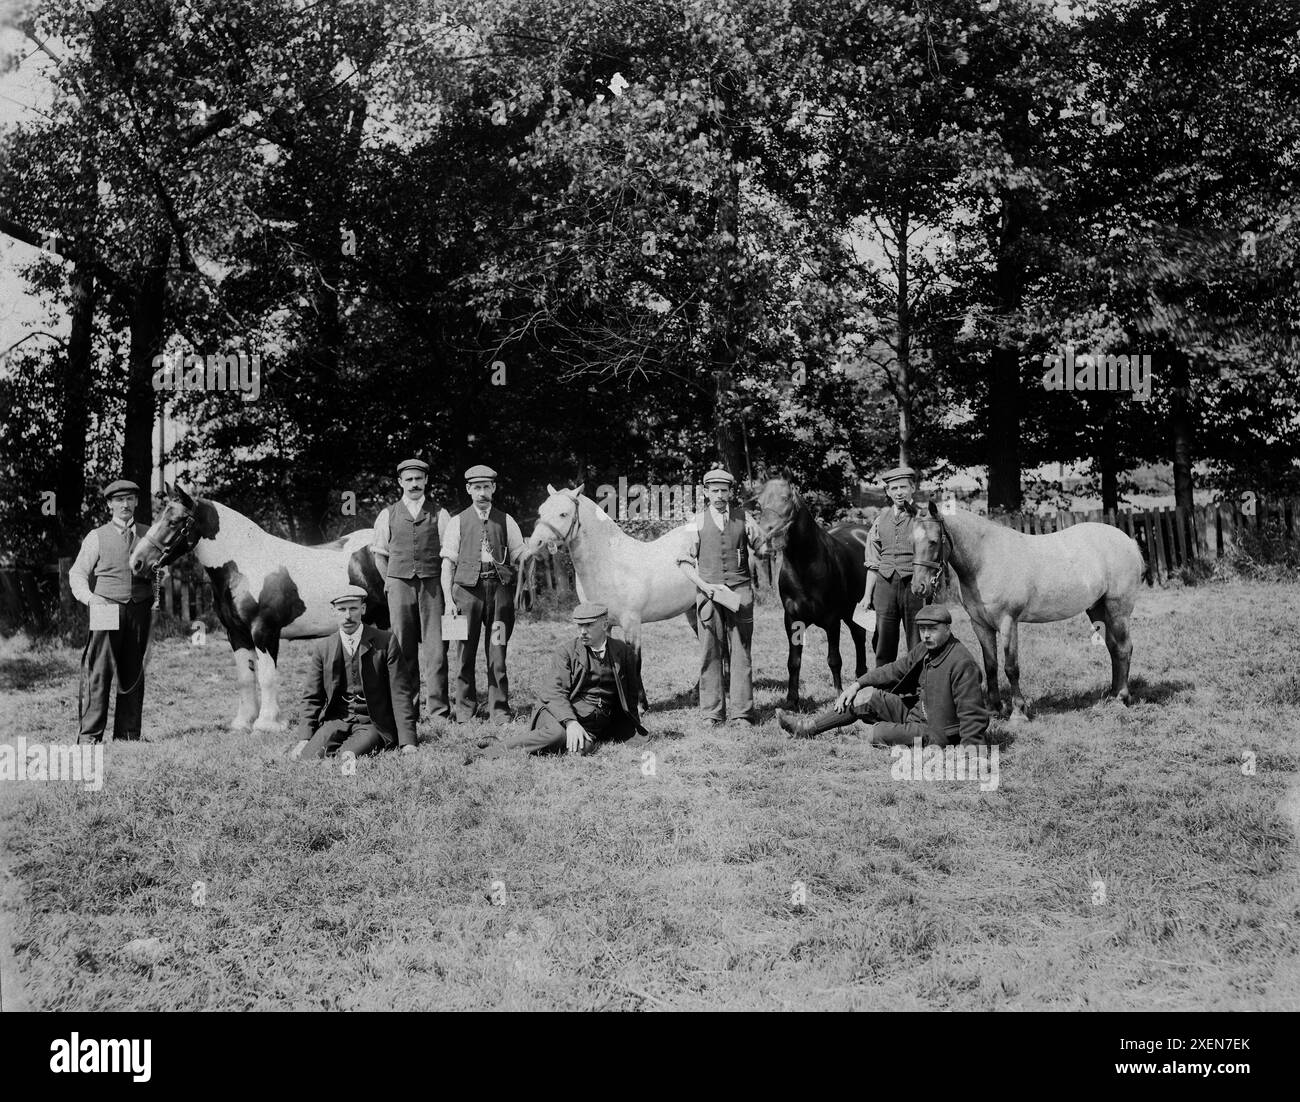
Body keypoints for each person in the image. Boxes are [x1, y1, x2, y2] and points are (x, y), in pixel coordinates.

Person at [775, 604, 989, 747]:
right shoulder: (926, 648)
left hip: (934, 730)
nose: (925, 634)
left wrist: (970, 753)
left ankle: (892, 735)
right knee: (863, 697)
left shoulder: (962, 662)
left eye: (932, 629)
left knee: (876, 734)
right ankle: (808, 729)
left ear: (947, 628)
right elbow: (894, 670)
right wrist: (857, 684)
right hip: (914, 712)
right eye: (922, 629)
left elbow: (973, 714)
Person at [477, 602, 648, 757]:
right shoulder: (566, 652)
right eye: (580, 625)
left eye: (589, 625)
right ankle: (494, 751)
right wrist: (571, 722)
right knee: (557, 735)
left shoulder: (623, 652)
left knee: (583, 749)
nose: (583, 631)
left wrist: (632, 727)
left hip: (595, 722)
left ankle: (516, 743)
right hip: (558, 711)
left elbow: (631, 693)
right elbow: (554, 692)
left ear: (604, 625)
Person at [69, 479, 155, 743]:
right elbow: (77, 573)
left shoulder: (150, 534)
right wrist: (91, 599)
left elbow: (161, 571)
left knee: (134, 671)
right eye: (119, 500)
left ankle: (128, 735)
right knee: (100, 671)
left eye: (130, 499)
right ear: (109, 504)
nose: (125, 504)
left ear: (137, 502)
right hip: (105, 607)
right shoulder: (96, 536)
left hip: (139, 609)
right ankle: (90, 736)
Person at [289, 585, 417, 761]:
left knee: (348, 756)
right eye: (342, 609)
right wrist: (304, 738)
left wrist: (408, 742)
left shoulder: (385, 641)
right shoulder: (323, 648)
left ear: (363, 609)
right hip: (337, 720)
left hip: (372, 722)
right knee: (308, 757)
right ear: (333, 611)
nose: (348, 616)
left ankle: (351, 756)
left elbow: (400, 693)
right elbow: (311, 697)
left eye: (353, 608)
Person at [676, 468, 763, 726]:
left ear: (730, 492)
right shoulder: (696, 521)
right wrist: (704, 585)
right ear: (705, 492)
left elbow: (763, 545)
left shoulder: (744, 518)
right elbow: (683, 562)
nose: (719, 496)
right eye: (714, 491)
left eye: (724, 491)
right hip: (709, 594)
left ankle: (742, 714)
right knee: (710, 652)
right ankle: (712, 713)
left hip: (740, 592)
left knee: (741, 652)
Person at [440, 464, 525, 724]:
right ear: (468, 489)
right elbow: (447, 564)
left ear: (494, 488)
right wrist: (447, 602)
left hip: (499, 594)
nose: (482, 492)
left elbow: (521, 555)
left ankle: (499, 709)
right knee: (463, 653)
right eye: (476, 487)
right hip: (465, 593)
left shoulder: (507, 520)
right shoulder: (457, 521)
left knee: (497, 651)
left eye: (486, 487)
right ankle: (465, 711)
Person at [371, 458, 452, 721]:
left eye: (419, 478)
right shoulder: (387, 514)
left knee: (436, 649)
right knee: (403, 649)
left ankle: (438, 710)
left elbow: (449, 557)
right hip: (399, 585)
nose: (414, 484)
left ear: (426, 480)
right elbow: (379, 555)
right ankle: (408, 709)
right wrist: (390, 583)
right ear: (400, 483)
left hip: (432, 587)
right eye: (409, 479)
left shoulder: (440, 514)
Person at [859, 465, 923, 665]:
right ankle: (884, 687)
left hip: (914, 584)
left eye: (903, 487)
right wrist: (867, 596)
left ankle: (919, 688)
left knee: (917, 639)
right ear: (887, 492)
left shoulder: (923, 517)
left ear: (913, 488)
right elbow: (873, 561)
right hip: (885, 585)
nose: (899, 492)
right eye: (894, 489)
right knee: (884, 640)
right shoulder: (880, 520)